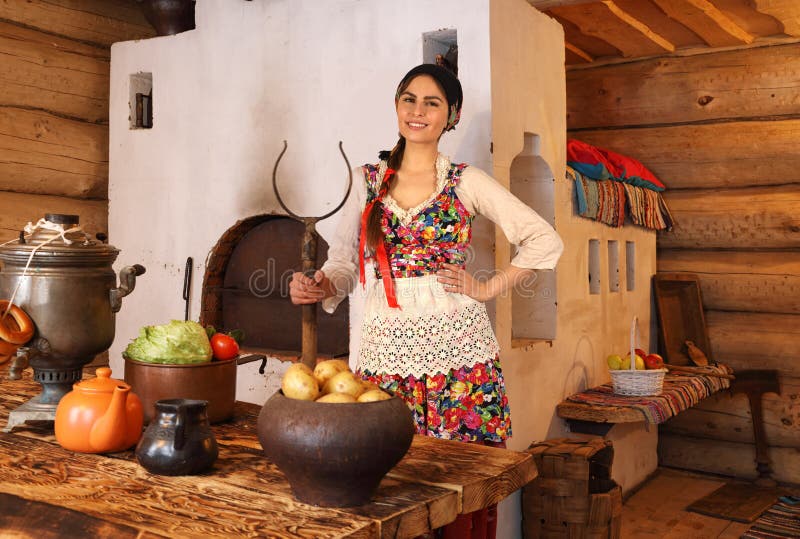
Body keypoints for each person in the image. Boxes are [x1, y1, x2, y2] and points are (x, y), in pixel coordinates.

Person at [289, 63, 563, 538]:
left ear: (451, 115)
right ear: (397, 106)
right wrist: (320, 285)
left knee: (460, 483)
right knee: (392, 486)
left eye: (432, 103)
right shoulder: (366, 181)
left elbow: (543, 239)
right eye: (409, 99)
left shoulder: (465, 180)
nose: (418, 111)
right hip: (386, 354)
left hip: (460, 358)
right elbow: (344, 264)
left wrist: (486, 288)